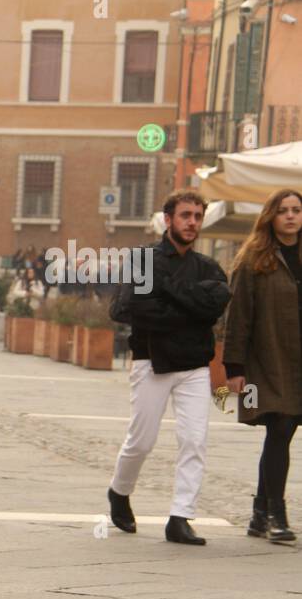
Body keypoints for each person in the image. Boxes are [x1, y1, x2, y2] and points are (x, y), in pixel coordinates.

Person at [107, 191, 231, 545]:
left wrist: (169, 294)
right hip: (152, 361)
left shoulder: (209, 267)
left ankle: (180, 517)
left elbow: (214, 309)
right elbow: (137, 311)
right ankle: (119, 491)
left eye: (197, 216)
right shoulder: (144, 260)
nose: (192, 222)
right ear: (168, 219)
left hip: (195, 365)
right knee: (141, 441)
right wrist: (192, 306)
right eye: (185, 215)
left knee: (194, 440)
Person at [222, 188, 302, 544]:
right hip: (264, 362)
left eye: (297, 210)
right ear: (270, 215)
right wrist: (234, 367)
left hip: (299, 362)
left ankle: (258, 511)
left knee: (281, 433)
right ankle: (276, 515)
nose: (290, 216)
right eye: (283, 210)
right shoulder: (253, 258)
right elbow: (238, 316)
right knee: (280, 428)